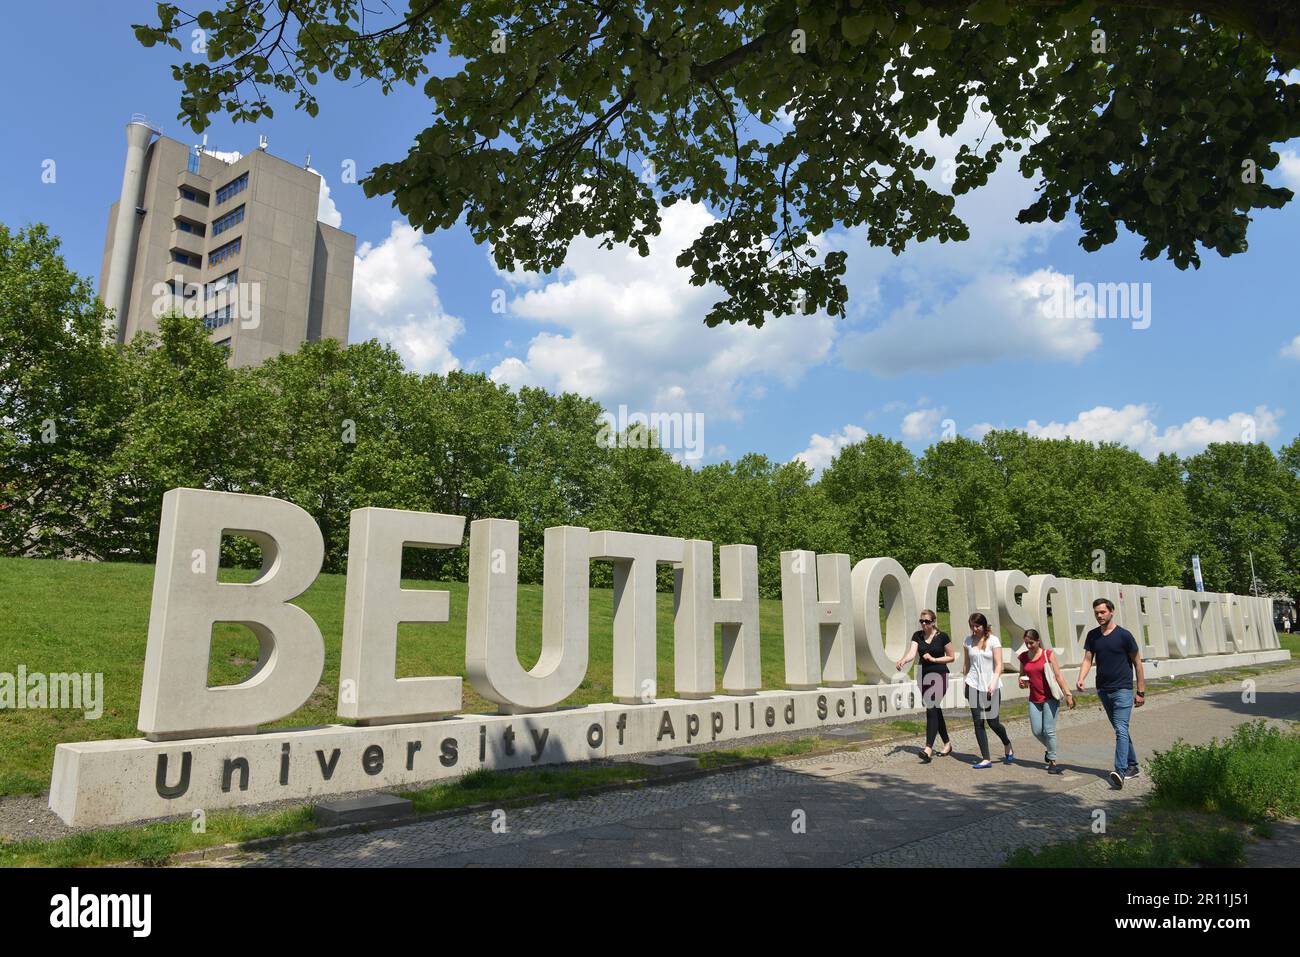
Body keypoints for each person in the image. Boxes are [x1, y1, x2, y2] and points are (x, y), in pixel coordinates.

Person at [1076, 597, 1146, 789]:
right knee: (1120, 728)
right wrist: (1081, 676)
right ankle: (1133, 766)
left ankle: (1120, 772)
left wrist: (1140, 691)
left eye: (1103, 612)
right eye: (1097, 612)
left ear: (1111, 611)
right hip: (1103, 690)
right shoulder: (1092, 636)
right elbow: (1088, 659)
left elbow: (1138, 663)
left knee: (1120, 729)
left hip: (1123, 689)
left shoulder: (1124, 636)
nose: (1099, 615)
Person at [895, 609, 956, 762]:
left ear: (933, 622)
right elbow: (912, 652)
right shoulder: (917, 635)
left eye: (927, 621)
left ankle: (928, 748)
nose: (923, 624)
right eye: (921, 621)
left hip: (940, 675)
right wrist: (903, 660)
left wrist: (934, 660)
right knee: (935, 709)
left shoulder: (942, 637)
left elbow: (951, 657)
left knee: (931, 708)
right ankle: (947, 744)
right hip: (923, 675)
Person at [1017, 628, 1075, 774]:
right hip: (1034, 699)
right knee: (1036, 731)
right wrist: (1022, 683)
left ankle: (1053, 762)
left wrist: (1068, 694)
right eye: (1026, 643)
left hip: (1050, 698)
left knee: (1049, 731)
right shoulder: (1023, 657)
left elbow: (1058, 676)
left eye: (1031, 643)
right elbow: (1022, 675)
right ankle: (1050, 750)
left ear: (1038, 641)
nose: (1029, 646)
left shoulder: (1047, 655)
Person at [962, 613, 1014, 769]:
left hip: (992, 686)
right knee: (978, 721)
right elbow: (966, 664)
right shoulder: (968, 641)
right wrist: (964, 681)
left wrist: (993, 682)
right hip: (973, 684)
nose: (974, 629)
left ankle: (1007, 743)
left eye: (977, 626)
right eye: (972, 626)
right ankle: (986, 758)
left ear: (984, 626)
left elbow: (999, 665)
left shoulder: (993, 640)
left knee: (993, 722)